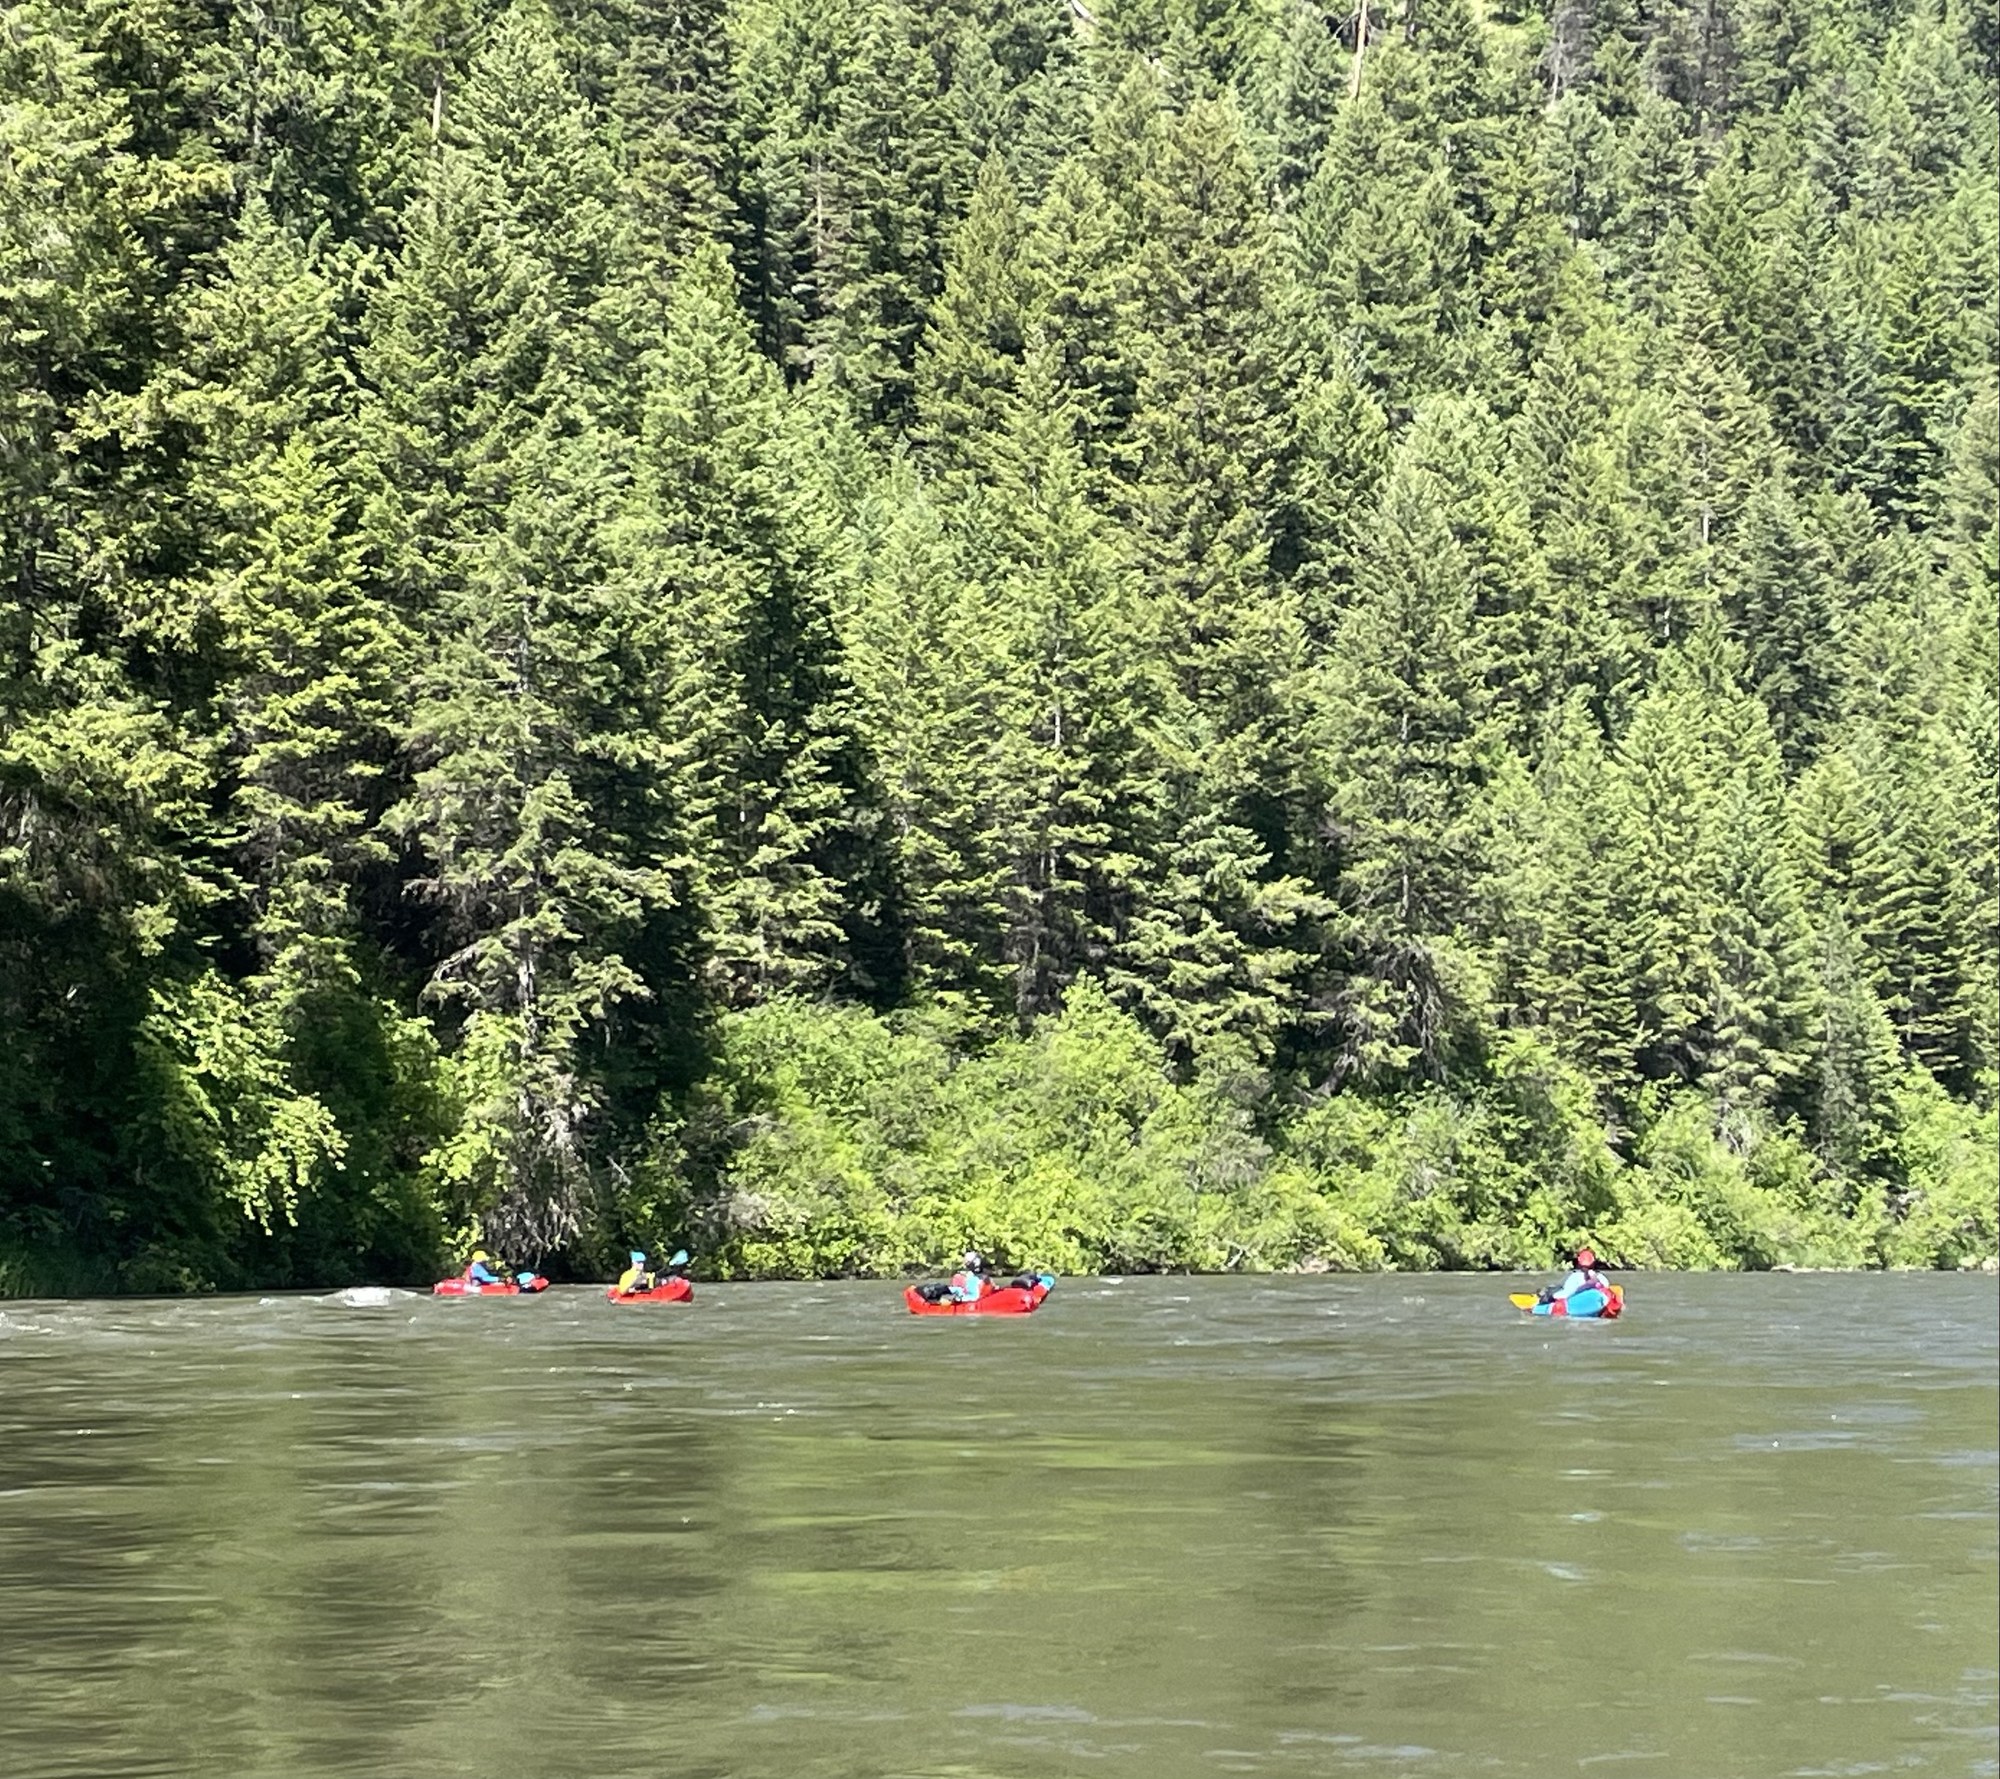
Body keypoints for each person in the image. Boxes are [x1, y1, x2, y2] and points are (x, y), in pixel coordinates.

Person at [1542, 1245, 1610, 1304]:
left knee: (1553, 1290)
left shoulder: (1574, 1277)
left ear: (1579, 1262)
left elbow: (1566, 1294)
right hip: (1583, 1296)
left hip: (1574, 1296)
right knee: (1554, 1289)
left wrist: (1553, 1296)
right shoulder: (1601, 1277)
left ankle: (1545, 1294)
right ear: (1593, 1262)